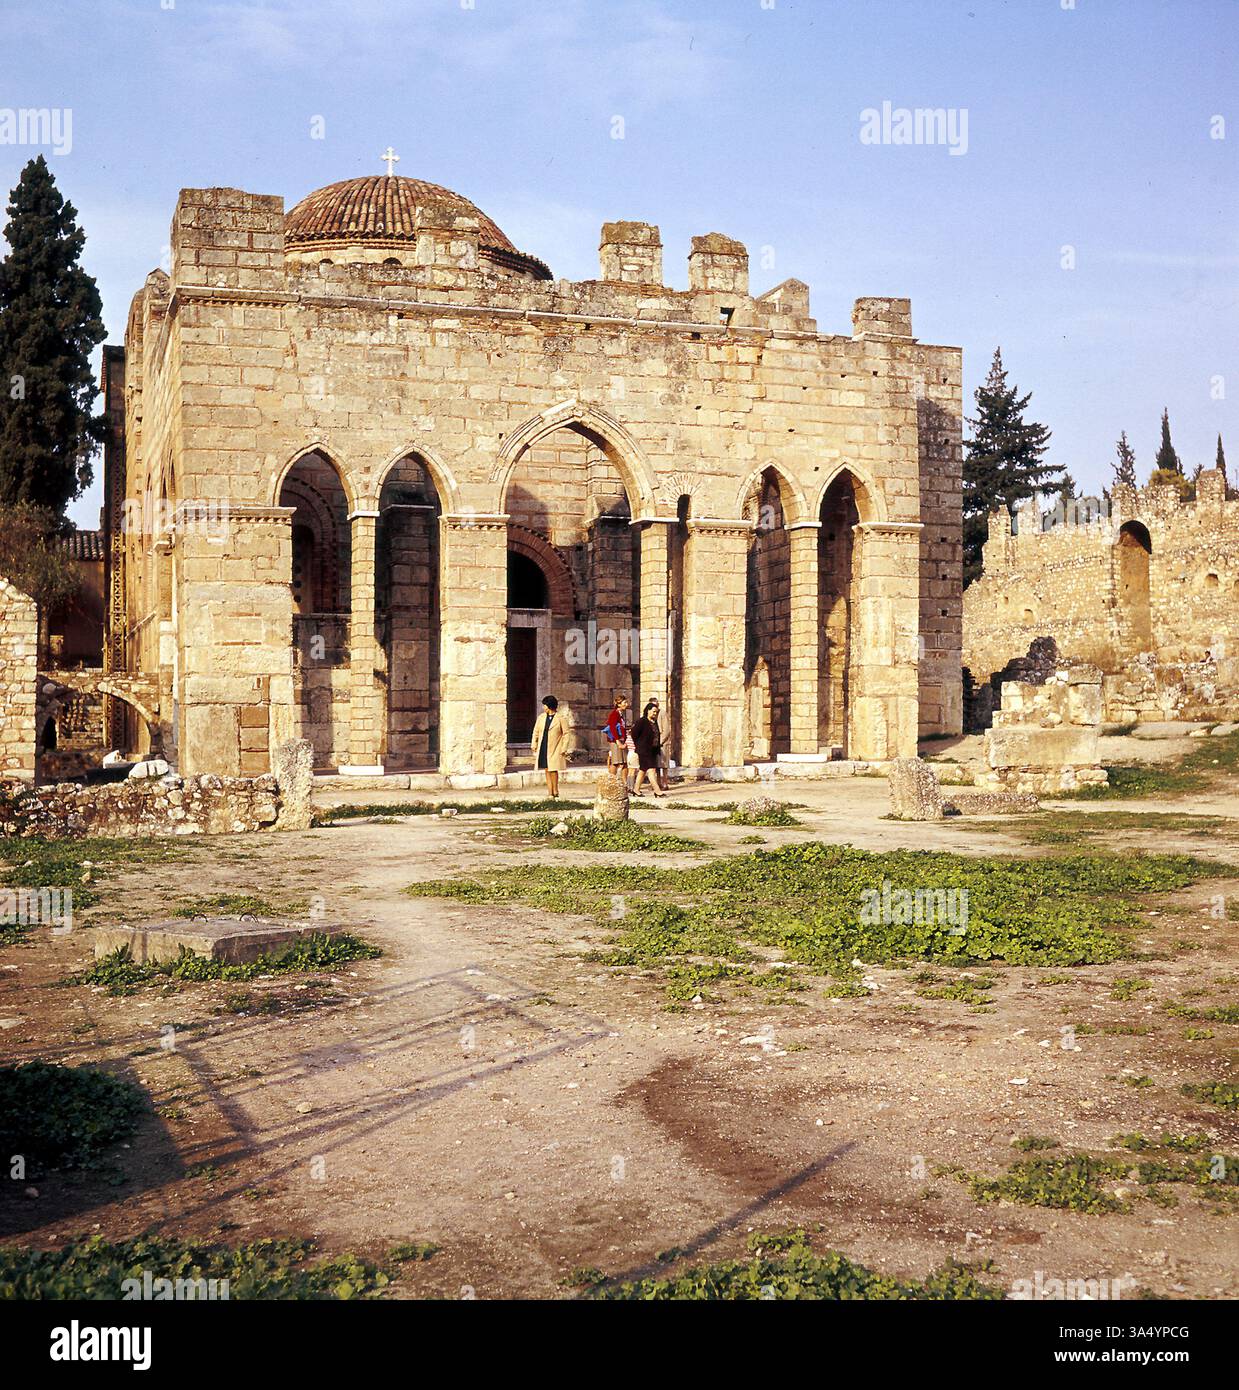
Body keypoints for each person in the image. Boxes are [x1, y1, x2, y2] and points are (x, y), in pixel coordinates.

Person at [531, 695, 569, 798]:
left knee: (553, 769)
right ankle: (550, 792)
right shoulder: (541, 717)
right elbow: (536, 731)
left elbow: (566, 733)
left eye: (545, 705)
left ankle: (555, 790)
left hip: (555, 746)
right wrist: (534, 743)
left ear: (549, 706)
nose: (544, 707)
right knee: (547, 769)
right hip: (543, 745)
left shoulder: (560, 718)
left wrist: (564, 748)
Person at [631, 700, 666, 797]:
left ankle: (636, 790)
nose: (655, 713)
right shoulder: (642, 721)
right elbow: (634, 733)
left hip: (652, 750)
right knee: (651, 770)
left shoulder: (654, 722)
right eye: (653, 711)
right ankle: (657, 791)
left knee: (643, 770)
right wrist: (639, 744)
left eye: (656, 712)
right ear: (648, 711)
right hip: (644, 750)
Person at [604, 693, 630, 786]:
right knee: (616, 762)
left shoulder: (621, 714)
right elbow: (612, 727)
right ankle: (611, 783)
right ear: (619, 704)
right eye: (624, 702)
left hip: (621, 739)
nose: (626, 704)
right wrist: (618, 741)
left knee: (624, 762)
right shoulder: (614, 714)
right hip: (616, 741)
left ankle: (624, 783)